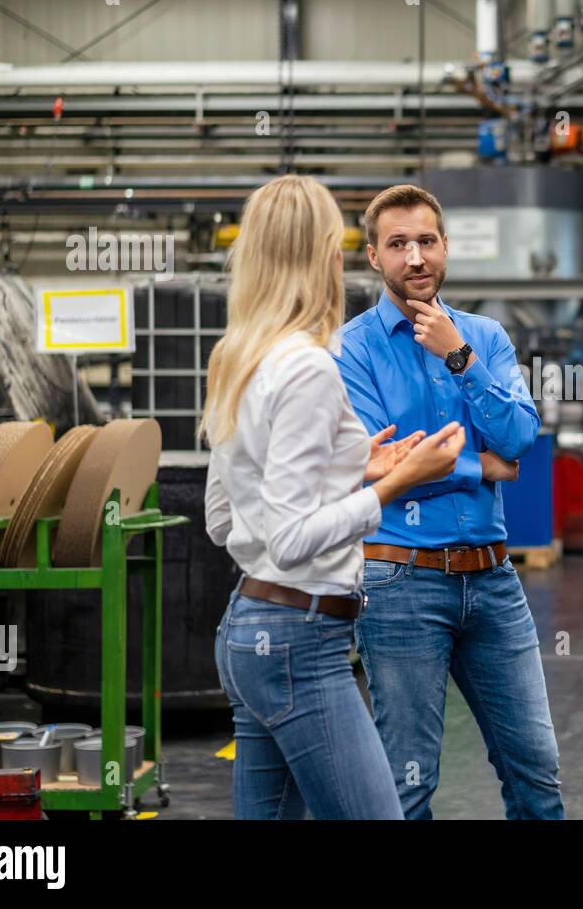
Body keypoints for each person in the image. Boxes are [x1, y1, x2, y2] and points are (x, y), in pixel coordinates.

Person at [203, 174, 466, 820]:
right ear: (323, 253)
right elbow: (293, 541)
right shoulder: (308, 366)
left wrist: (351, 468)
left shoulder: (239, 356)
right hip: (302, 640)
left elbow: (223, 519)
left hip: (248, 629)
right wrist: (398, 483)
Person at [333, 183, 565, 820]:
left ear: (446, 248)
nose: (415, 258)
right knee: (408, 786)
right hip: (400, 581)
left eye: (426, 242)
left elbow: (521, 437)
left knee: (537, 774)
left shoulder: (484, 337)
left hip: (494, 580)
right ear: (375, 257)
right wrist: (481, 465)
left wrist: (458, 358)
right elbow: (381, 468)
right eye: (398, 244)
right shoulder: (352, 348)